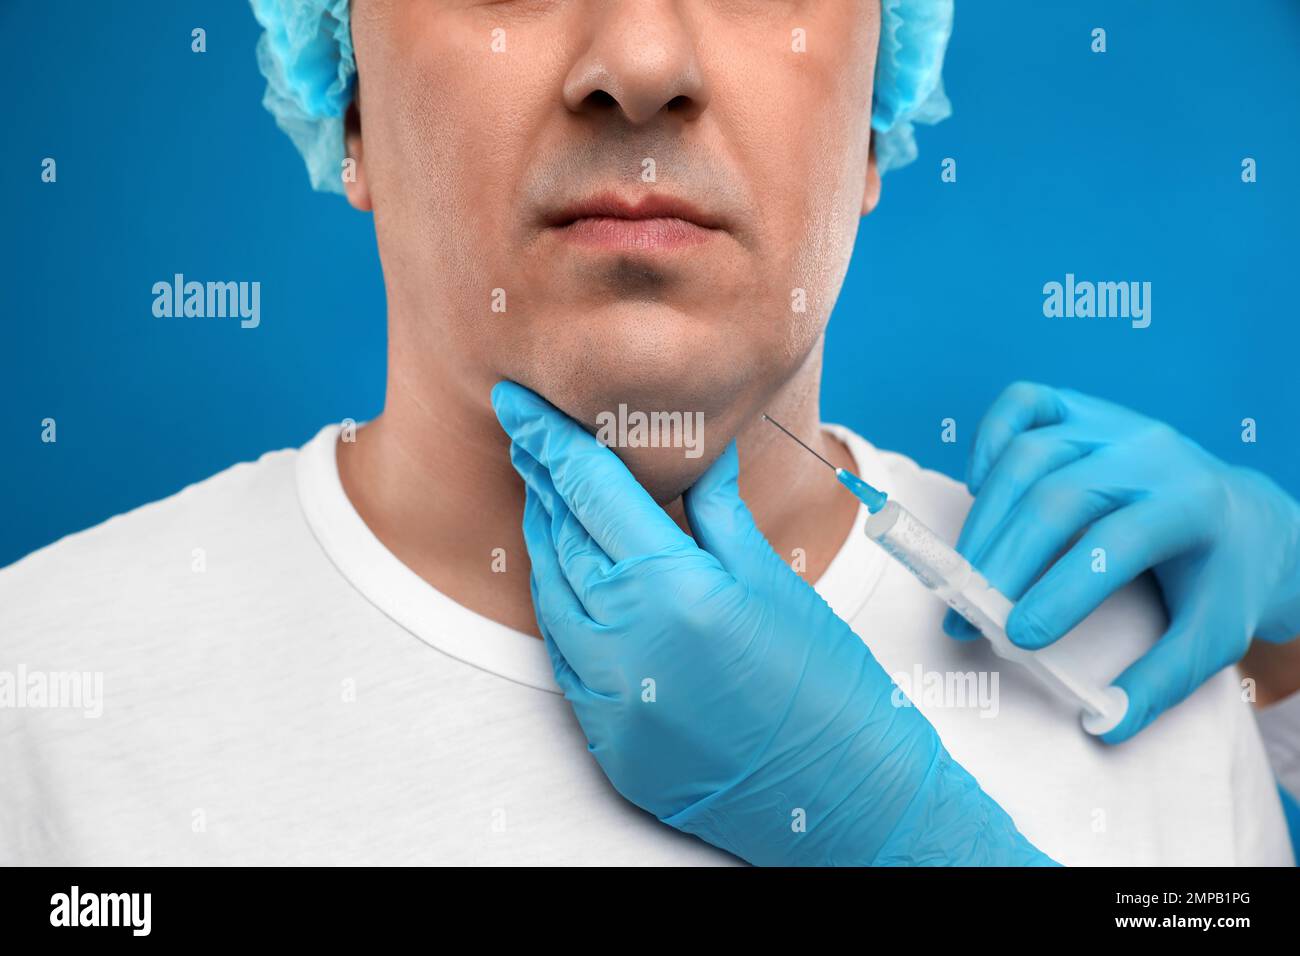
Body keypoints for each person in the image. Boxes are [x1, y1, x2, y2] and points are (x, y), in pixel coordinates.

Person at [0, 0, 1289, 865]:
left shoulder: (1142, 671)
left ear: (875, 109)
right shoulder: (43, 707)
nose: (642, 63)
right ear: (345, 101)